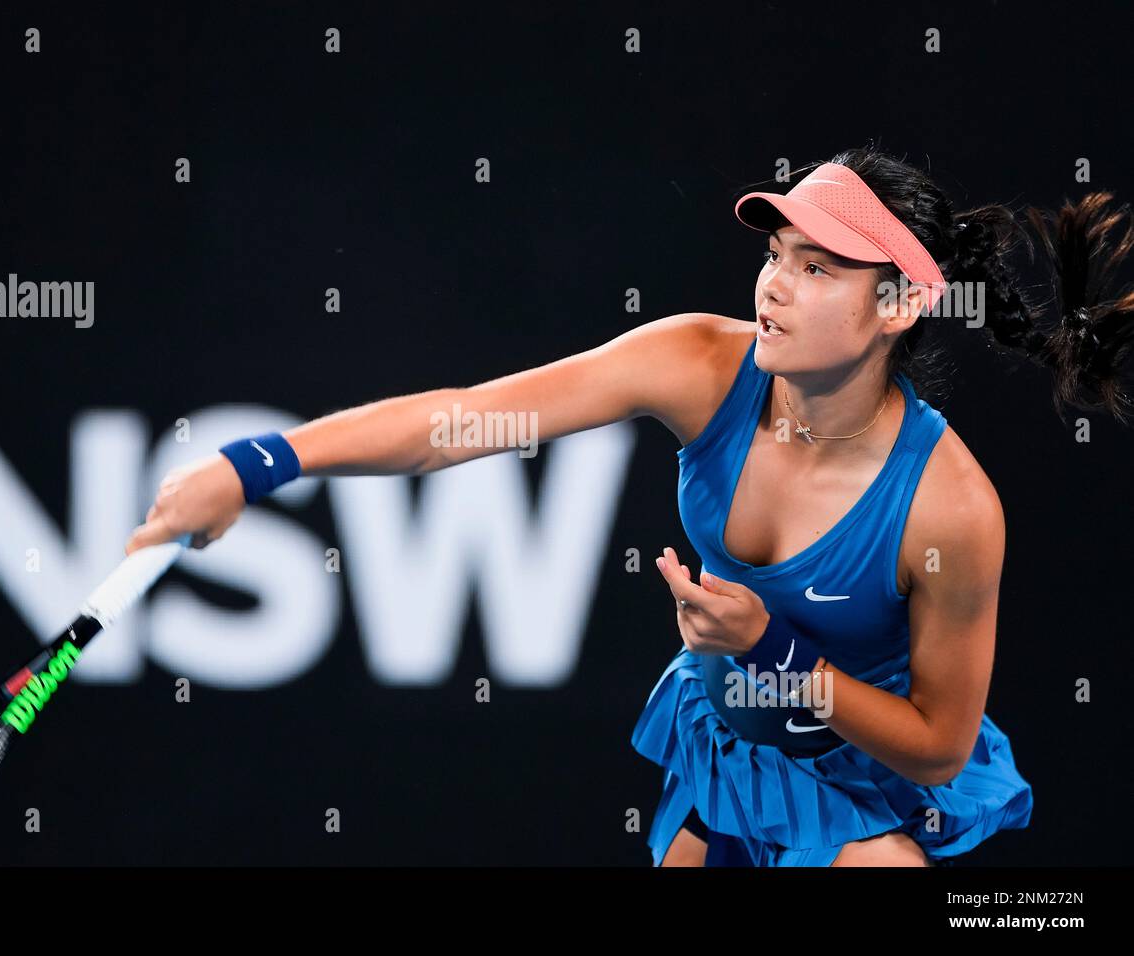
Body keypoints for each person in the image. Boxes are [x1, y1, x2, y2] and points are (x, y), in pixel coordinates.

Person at [125, 145, 1133, 866]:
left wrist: (776, 654)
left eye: (816, 267)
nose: (773, 285)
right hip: (732, 746)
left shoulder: (951, 509)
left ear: (899, 306)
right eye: (776, 253)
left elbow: (939, 745)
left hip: (867, 781)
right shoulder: (699, 361)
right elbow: (465, 421)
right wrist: (261, 461)